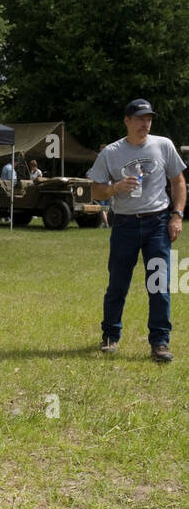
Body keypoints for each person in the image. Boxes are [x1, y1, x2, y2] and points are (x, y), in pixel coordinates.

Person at [89, 99, 186, 361]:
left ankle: (160, 342)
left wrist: (177, 215)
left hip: (157, 223)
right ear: (127, 121)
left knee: (159, 285)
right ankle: (110, 335)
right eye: (140, 118)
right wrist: (114, 188)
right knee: (118, 283)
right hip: (125, 225)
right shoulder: (111, 152)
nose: (145, 123)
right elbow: (95, 189)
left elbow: (178, 181)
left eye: (149, 118)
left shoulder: (163, 145)